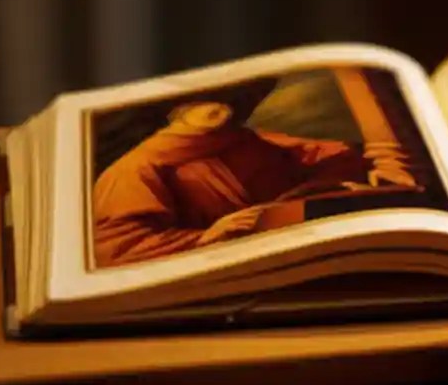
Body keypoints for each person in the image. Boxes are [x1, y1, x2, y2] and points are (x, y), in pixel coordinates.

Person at [92, 100, 415, 267]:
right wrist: (207, 237)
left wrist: (335, 184)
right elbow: (115, 252)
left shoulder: (243, 139)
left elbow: (328, 158)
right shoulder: (132, 172)